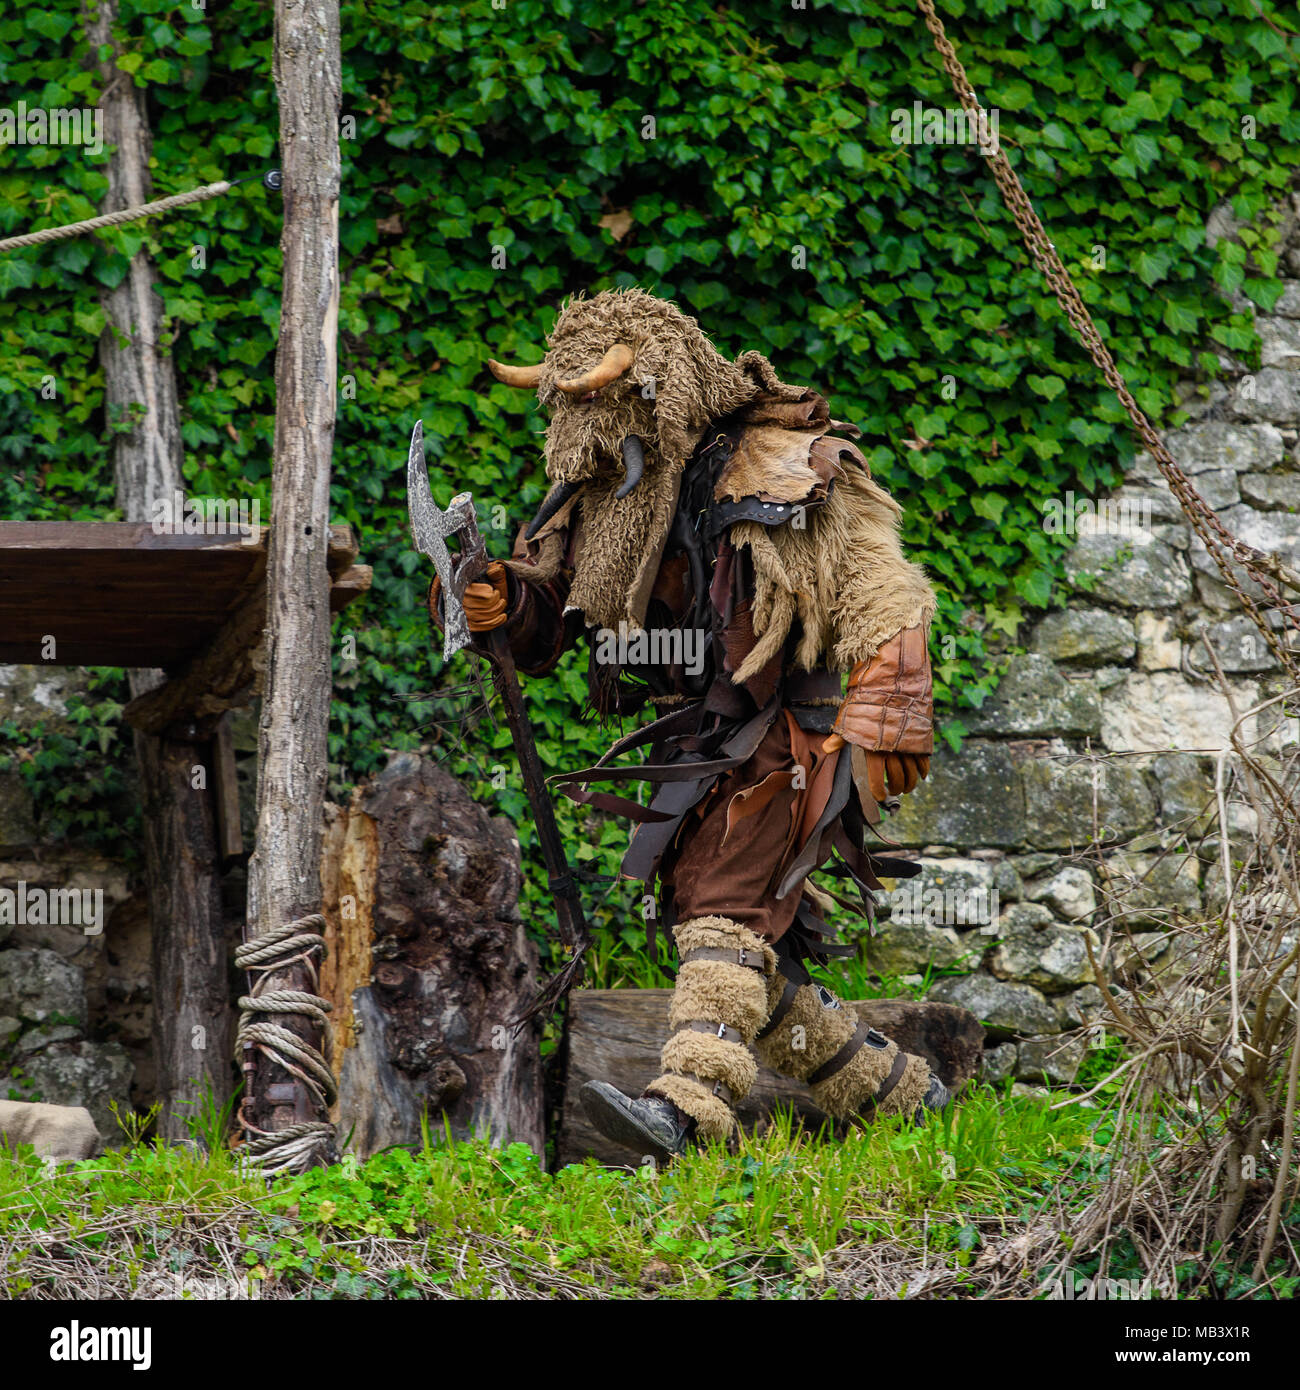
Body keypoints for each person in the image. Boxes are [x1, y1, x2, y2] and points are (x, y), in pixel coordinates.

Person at [433, 288, 949, 1162]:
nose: (585, 429)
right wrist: (502, 597)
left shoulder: (779, 461)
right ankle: (901, 1094)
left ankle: (685, 1111)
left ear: (656, 388)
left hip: (794, 735)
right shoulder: (601, 499)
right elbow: (548, 622)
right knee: (737, 942)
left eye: (602, 402)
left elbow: (881, 584)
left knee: (722, 906)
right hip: (699, 746)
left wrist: (891, 697)